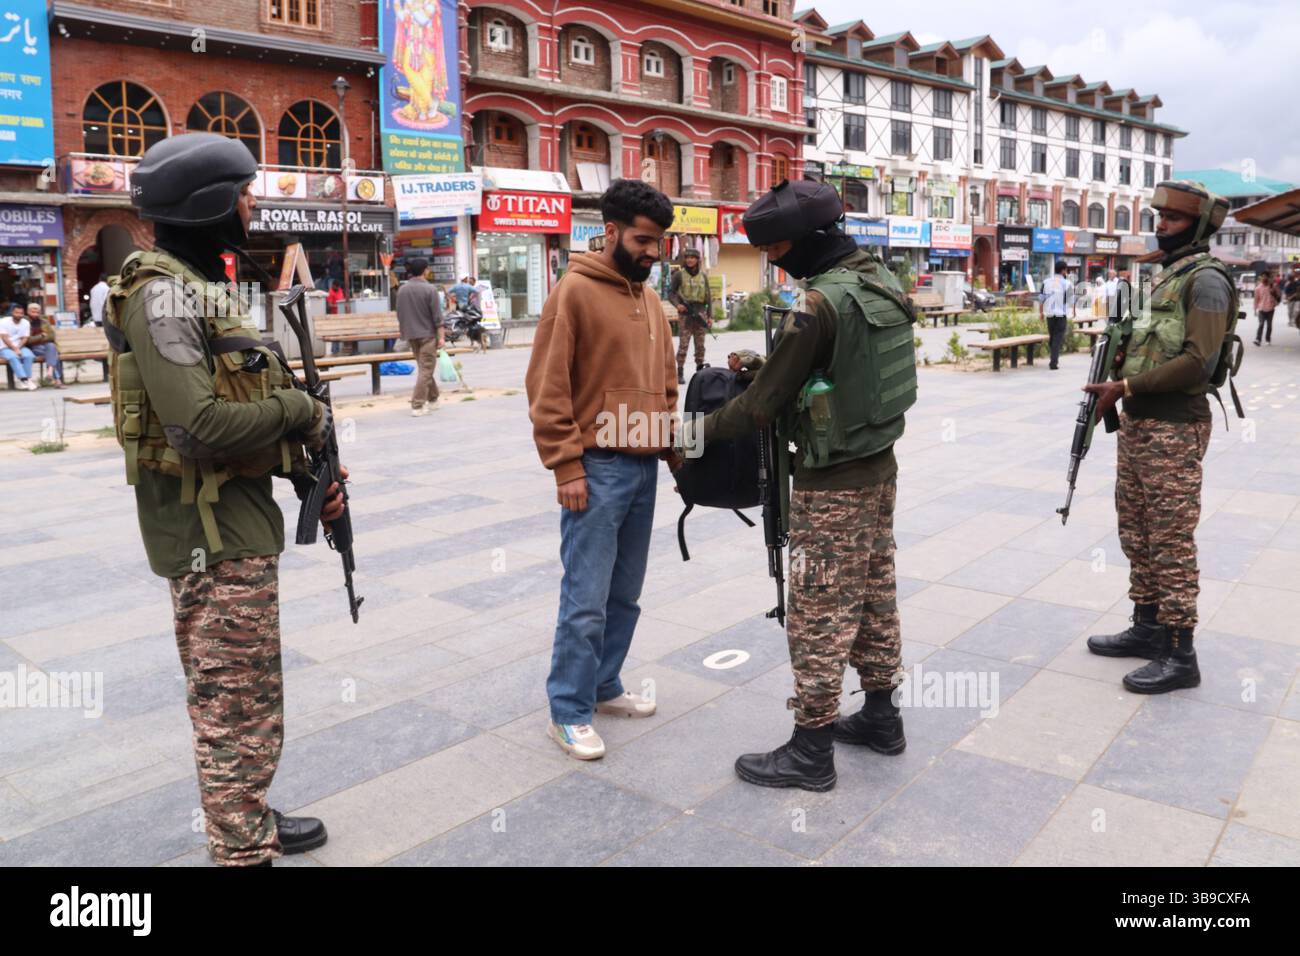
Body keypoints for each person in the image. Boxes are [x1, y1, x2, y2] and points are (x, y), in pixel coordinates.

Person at [108, 132, 346, 866]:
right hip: (207, 535)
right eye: (243, 193)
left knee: (250, 695)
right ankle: (242, 847)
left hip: (236, 522)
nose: (251, 205)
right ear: (211, 203)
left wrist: (306, 471)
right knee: (232, 702)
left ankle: (245, 808)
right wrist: (300, 415)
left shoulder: (199, 290)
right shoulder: (160, 299)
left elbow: (241, 396)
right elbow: (198, 425)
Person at [685, 179, 914, 792]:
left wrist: (689, 436)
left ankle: (811, 748)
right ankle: (881, 716)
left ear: (807, 243)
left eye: (779, 251)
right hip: (878, 469)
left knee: (817, 610)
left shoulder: (816, 305)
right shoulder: (879, 281)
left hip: (830, 484)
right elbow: (841, 369)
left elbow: (758, 409)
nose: (776, 263)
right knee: (872, 592)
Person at [525, 179, 678, 761]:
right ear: (609, 231)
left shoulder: (649, 299)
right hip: (596, 466)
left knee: (625, 595)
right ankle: (567, 710)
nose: (652, 251)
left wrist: (673, 450)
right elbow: (547, 386)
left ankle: (605, 684)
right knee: (585, 597)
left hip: (642, 469)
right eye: (642, 240)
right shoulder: (573, 293)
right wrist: (566, 466)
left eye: (658, 242)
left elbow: (664, 383)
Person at [1084, 181, 1236, 695]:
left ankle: (1179, 651)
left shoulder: (1207, 281)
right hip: (1140, 423)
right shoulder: (1165, 276)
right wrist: (1122, 363)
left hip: (1175, 425)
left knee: (1170, 539)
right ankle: (1147, 626)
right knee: (1137, 530)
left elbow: (1199, 362)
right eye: (1160, 216)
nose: (1161, 225)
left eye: (1172, 219)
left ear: (1197, 225)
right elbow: (1150, 346)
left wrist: (1125, 384)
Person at [395, 256, 444, 417]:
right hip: (427, 335)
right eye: (428, 269)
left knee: (425, 368)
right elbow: (437, 317)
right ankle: (417, 404)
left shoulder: (402, 289)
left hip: (411, 335)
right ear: (425, 271)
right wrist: (441, 337)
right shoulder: (430, 289)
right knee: (426, 369)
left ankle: (434, 398)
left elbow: (400, 313)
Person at [669, 247, 712, 384]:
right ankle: (680, 372)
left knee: (700, 345)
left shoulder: (703, 276)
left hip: (700, 313)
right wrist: (677, 305)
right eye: (687, 257)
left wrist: (710, 316)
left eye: (692, 257)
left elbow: (708, 297)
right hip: (686, 313)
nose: (689, 260)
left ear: (697, 260)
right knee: (683, 345)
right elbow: (671, 293)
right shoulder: (679, 275)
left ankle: (700, 371)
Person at [1039, 261, 1075, 370]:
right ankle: (1053, 362)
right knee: (1057, 339)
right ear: (1063, 270)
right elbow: (1071, 300)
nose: (1066, 272)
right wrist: (1074, 311)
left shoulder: (1046, 282)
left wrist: (1040, 313)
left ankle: (1053, 357)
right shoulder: (1067, 283)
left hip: (1049, 315)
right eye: (1066, 270)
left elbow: (1041, 298)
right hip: (1061, 315)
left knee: (1053, 337)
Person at [25, 302, 65, 388]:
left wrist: (38, 338)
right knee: (54, 354)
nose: (35, 314)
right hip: (33, 349)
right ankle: (57, 380)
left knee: (51, 346)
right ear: (28, 312)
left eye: (37, 312)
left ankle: (50, 373)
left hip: (46, 346)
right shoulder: (25, 322)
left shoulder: (44, 322)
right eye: (33, 312)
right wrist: (41, 336)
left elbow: (51, 336)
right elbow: (28, 340)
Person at [1, 302, 37, 389]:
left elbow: (25, 338)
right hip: (4, 347)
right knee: (13, 357)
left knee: (29, 356)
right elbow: (4, 338)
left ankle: (27, 379)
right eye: (16, 313)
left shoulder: (25, 323)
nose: (19, 315)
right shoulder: (3, 321)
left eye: (21, 313)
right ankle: (23, 379)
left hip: (19, 346)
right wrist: (15, 349)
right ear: (12, 313)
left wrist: (18, 348)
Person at [1253, 268, 1279, 346]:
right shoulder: (1257, 288)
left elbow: (1277, 296)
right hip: (1261, 309)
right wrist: (1255, 310)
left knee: (1269, 325)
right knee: (1261, 324)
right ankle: (1258, 339)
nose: (1264, 278)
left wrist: (1273, 292)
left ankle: (1268, 339)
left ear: (1268, 278)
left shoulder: (1272, 286)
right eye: (1262, 276)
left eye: (1265, 276)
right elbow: (1256, 300)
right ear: (1261, 278)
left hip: (1270, 309)